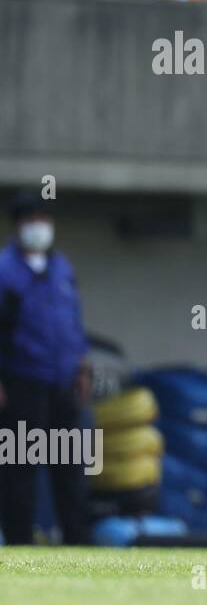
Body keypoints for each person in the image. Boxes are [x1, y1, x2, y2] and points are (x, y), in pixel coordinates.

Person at [0, 191, 91, 545]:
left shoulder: (62, 268)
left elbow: (73, 324)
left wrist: (81, 368)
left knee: (70, 464)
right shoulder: (5, 271)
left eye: (44, 219)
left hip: (63, 382)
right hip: (22, 381)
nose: (39, 227)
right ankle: (20, 539)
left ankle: (77, 541)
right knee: (20, 466)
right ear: (19, 225)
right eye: (31, 220)